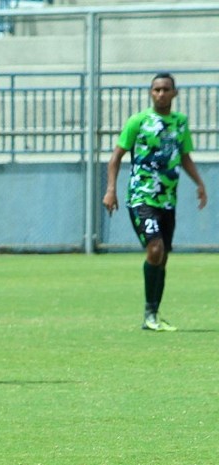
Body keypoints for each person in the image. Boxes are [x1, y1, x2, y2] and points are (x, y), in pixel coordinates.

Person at [103, 73, 207, 332]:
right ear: (150, 93)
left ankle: (154, 314)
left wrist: (200, 184)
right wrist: (110, 190)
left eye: (165, 89)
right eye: (156, 90)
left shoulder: (180, 123)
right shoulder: (139, 121)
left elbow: (184, 156)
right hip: (141, 197)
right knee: (155, 249)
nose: (160, 94)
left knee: (164, 256)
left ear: (175, 93)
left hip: (167, 201)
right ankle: (149, 314)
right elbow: (116, 157)